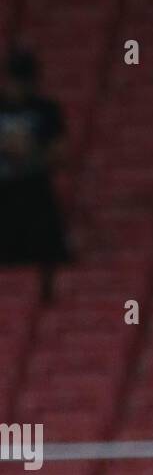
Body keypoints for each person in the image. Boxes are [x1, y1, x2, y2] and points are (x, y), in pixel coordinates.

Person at [0, 46, 70, 297]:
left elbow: (60, 153)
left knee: (46, 255)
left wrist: (29, 152)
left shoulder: (46, 109)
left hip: (34, 193)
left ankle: (47, 298)